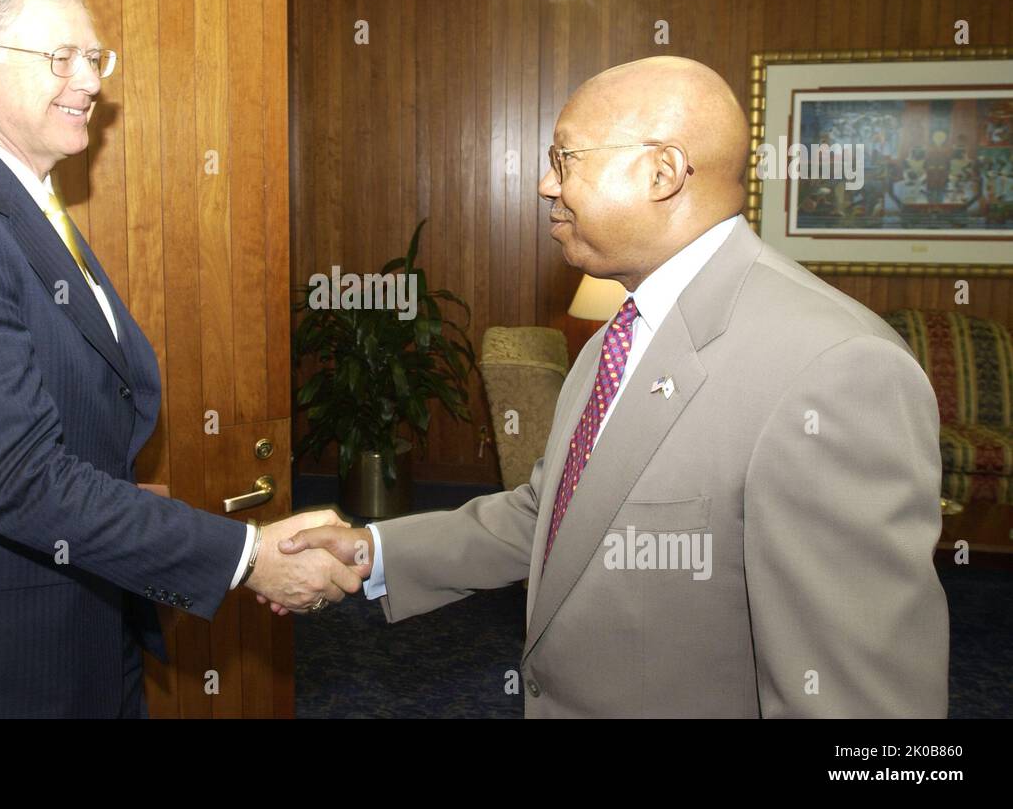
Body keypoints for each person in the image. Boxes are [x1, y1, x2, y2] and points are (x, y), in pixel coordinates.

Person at [276, 56, 950, 718]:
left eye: (565, 158)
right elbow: (552, 519)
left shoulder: (836, 369)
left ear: (662, 172)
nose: (546, 183)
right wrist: (374, 551)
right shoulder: (620, 333)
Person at [0, 0, 360, 718]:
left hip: (82, 624)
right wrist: (248, 558)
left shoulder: (20, 201)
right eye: (62, 57)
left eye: (95, 59)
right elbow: (19, 478)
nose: (88, 80)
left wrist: (135, 501)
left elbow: (57, 425)